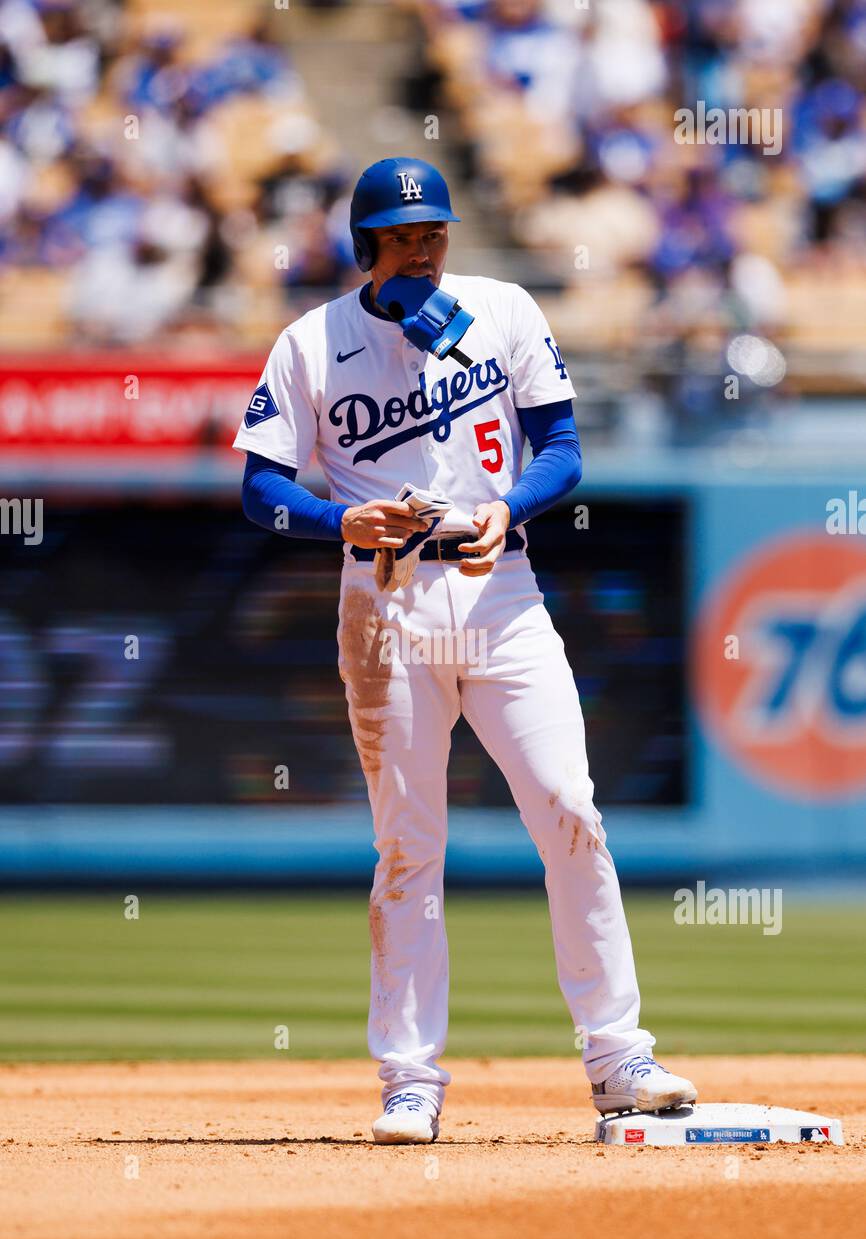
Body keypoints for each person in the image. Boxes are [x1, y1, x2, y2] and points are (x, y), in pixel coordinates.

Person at [233, 156, 697, 1143]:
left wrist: (508, 508)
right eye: (401, 236)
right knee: (409, 846)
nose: (422, 249)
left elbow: (562, 449)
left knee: (568, 807)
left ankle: (619, 1059)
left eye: (433, 231)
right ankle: (409, 1078)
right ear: (365, 246)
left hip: (503, 589)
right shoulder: (312, 342)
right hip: (385, 596)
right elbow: (259, 491)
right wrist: (339, 521)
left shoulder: (502, 309)